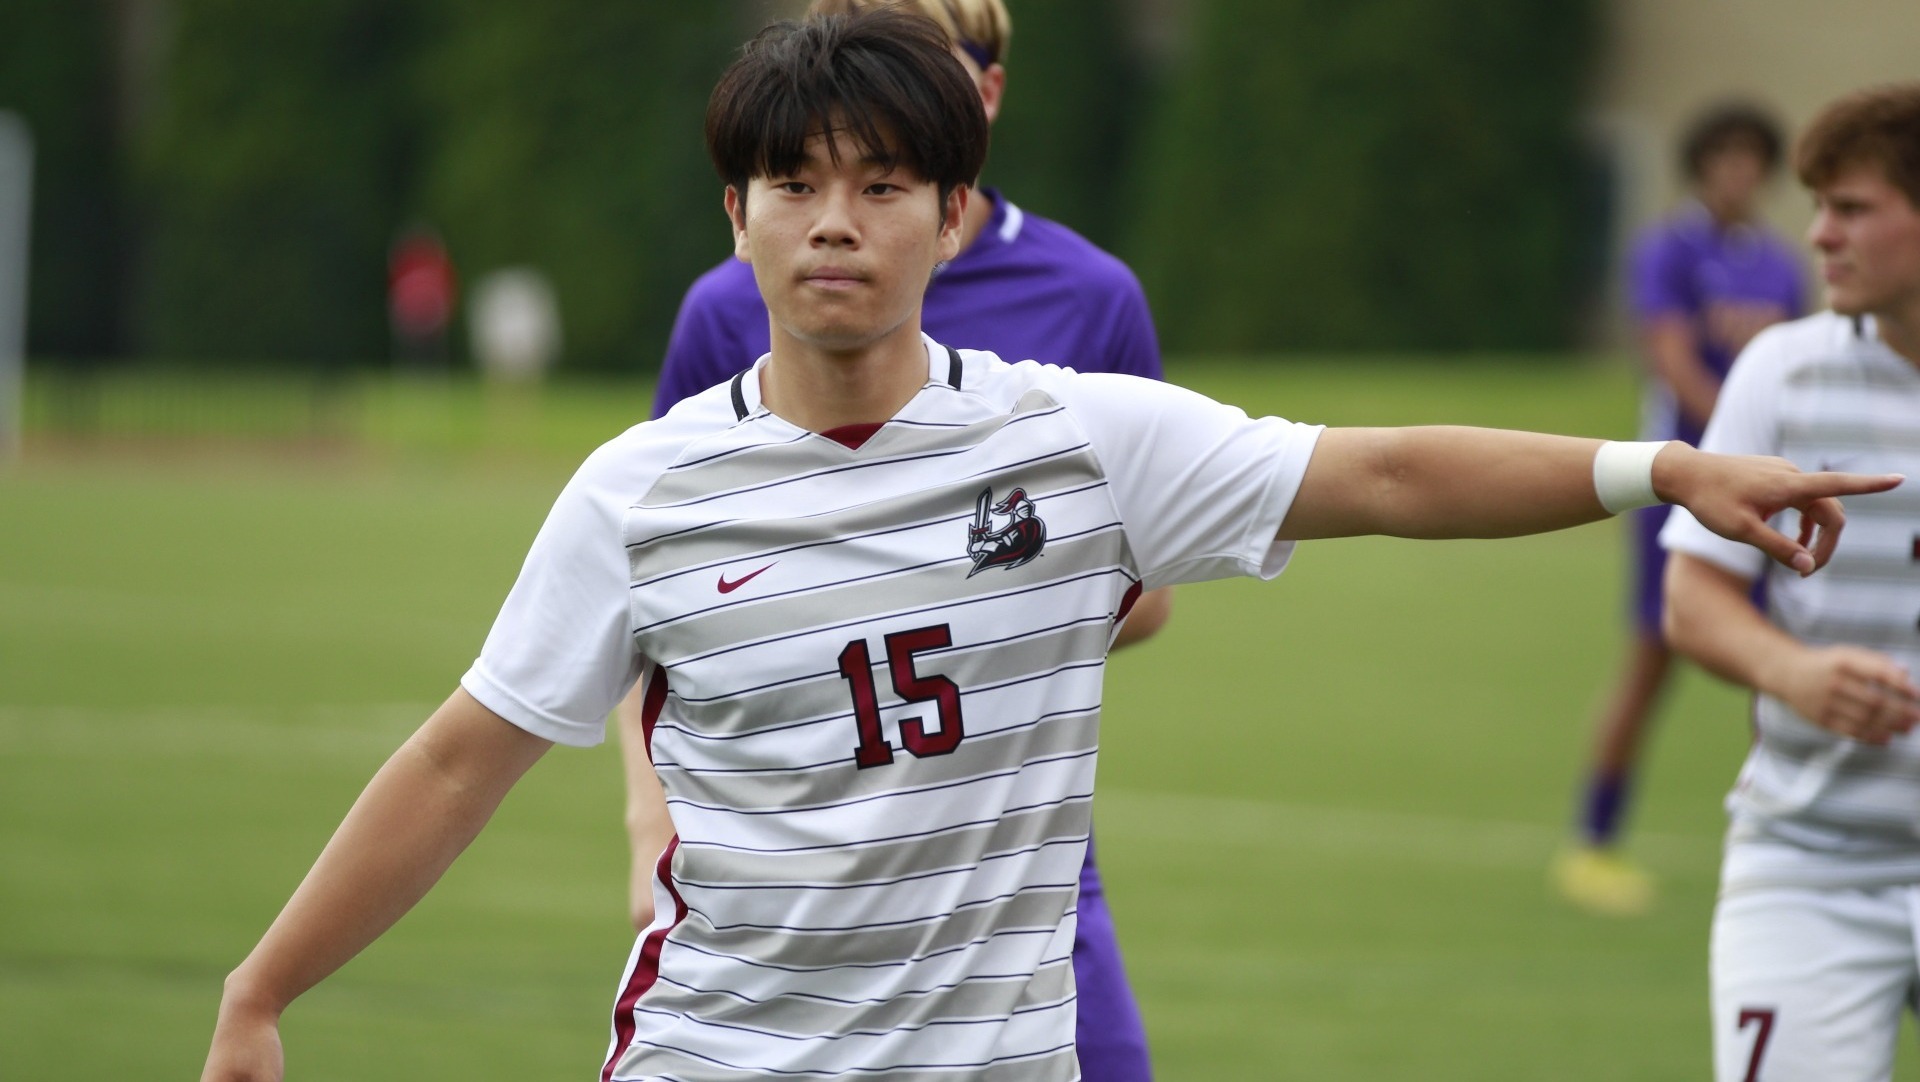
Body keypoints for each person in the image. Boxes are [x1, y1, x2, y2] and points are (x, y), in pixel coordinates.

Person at [199, 13, 1898, 1081]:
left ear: (957, 210)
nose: (835, 221)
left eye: (880, 183)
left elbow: (1381, 472)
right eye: (792, 182)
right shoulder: (638, 491)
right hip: (720, 1052)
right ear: (737, 215)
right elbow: (458, 755)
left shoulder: (1074, 431)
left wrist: (1662, 462)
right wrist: (263, 988)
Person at [619, 2, 1168, 1077]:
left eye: (924, 68)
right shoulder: (730, 305)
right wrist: (650, 823)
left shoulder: (1092, 297)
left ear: (989, 93)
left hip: (1007, 840)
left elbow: (1144, 591)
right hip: (783, 845)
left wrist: (956, 597)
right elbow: (651, 603)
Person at [1661, 83, 1920, 1082]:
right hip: (1811, 862)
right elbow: (1694, 596)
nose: (1817, 236)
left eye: (1851, 208)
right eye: (1815, 206)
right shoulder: (1779, 369)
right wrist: (1794, 672)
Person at [1555, 102, 1807, 916]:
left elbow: (1797, 376)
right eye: (1722, 157)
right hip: (1680, 492)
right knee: (1651, 662)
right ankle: (1593, 845)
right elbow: (1673, 367)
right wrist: (1731, 451)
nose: (1737, 172)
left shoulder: (1781, 266)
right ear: (1699, 167)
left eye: (1750, 158)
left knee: (1777, 668)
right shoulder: (1668, 250)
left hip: (1761, 493)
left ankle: (1782, 850)